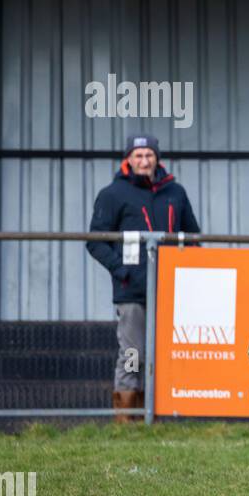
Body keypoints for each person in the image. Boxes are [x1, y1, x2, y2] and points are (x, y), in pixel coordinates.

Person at [86, 134, 201, 421]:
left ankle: (163, 415)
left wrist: (190, 272)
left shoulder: (176, 192)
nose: (144, 161)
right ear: (128, 160)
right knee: (133, 354)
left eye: (149, 155)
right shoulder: (112, 194)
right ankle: (127, 419)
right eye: (138, 156)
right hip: (132, 291)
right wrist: (122, 272)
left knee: (167, 353)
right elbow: (95, 240)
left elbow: (194, 237)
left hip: (171, 289)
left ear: (156, 158)